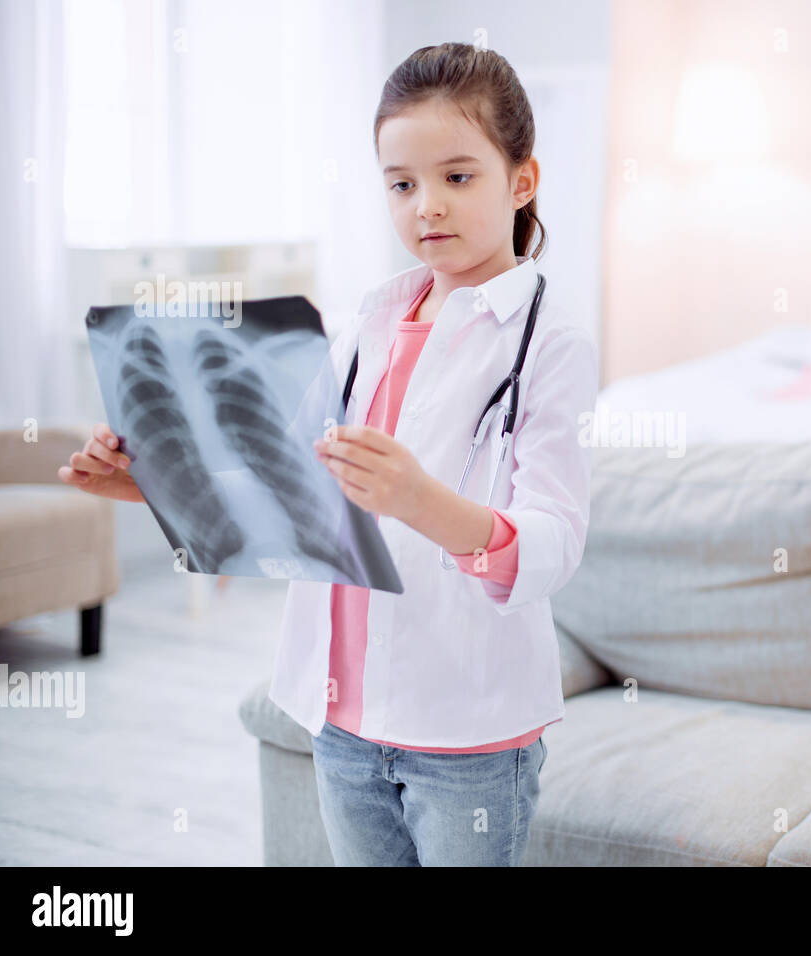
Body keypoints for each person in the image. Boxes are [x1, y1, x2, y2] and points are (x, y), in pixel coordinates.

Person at [60, 40, 600, 867]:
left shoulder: (549, 342)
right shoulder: (363, 328)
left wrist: (419, 501)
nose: (428, 206)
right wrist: (151, 483)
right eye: (402, 183)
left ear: (521, 180)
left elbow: (555, 543)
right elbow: (289, 490)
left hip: (466, 731)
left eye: (459, 176)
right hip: (341, 718)